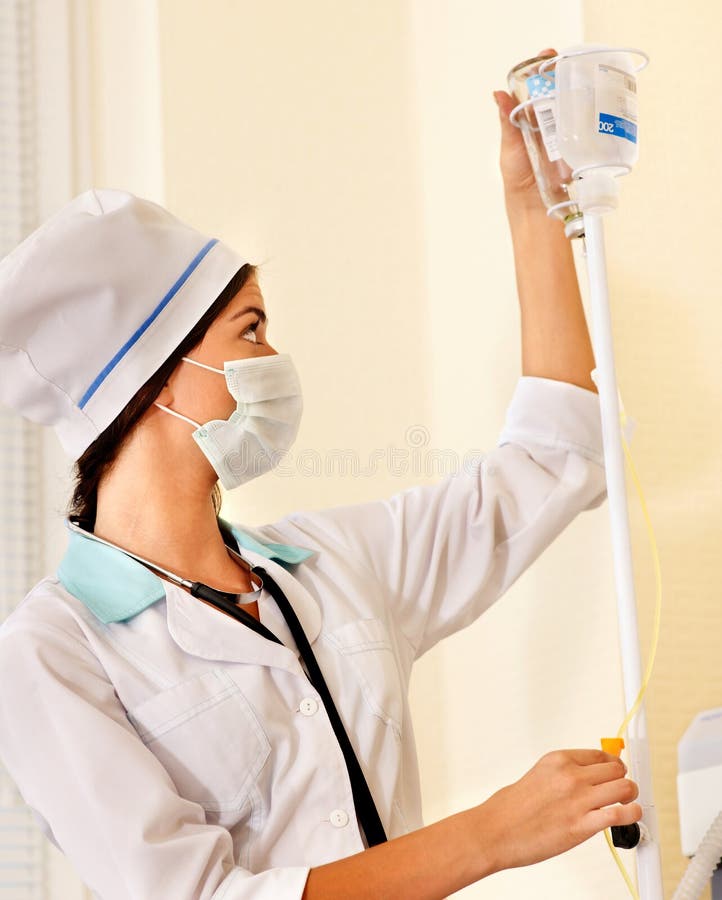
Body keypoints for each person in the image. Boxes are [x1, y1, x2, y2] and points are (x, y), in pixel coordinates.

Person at [0, 53, 641, 900]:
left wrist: (532, 206)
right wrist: (490, 835)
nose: (275, 358)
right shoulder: (52, 652)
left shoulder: (328, 565)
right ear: (153, 381)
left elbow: (557, 455)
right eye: (250, 330)